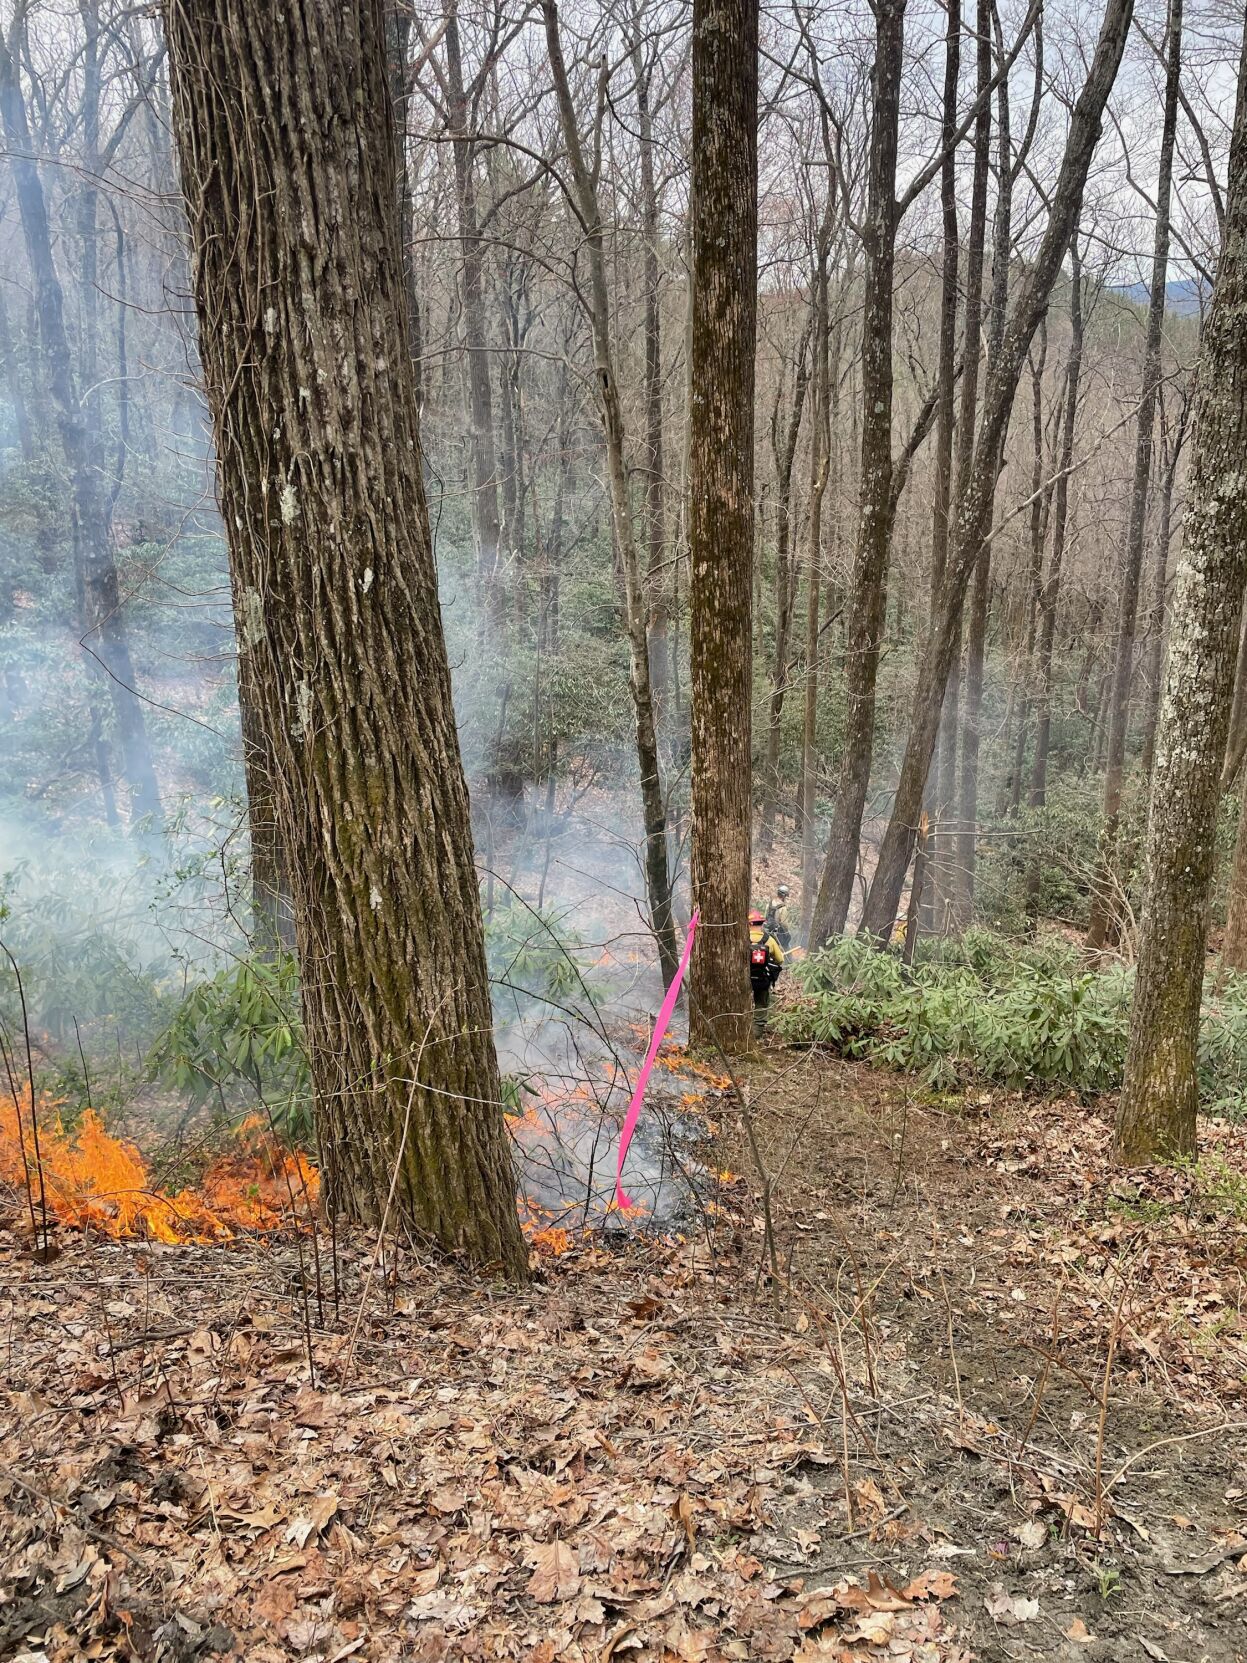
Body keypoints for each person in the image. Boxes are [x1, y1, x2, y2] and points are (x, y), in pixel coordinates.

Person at [748, 908, 784, 1015]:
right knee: (760, 1009)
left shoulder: (740, 939)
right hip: (762, 979)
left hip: (743, 978)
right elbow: (780, 960)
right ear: (762, 924)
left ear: (749, 924)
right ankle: (758, 1024)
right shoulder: (769, 940)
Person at [765, 883, 796, 949]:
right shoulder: (783, 908)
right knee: (787, 943)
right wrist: (787, 932)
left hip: (767, 931)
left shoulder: (769, 904)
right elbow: (784, 924)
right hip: (778, 933)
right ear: (784, 896)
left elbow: (765, 917)